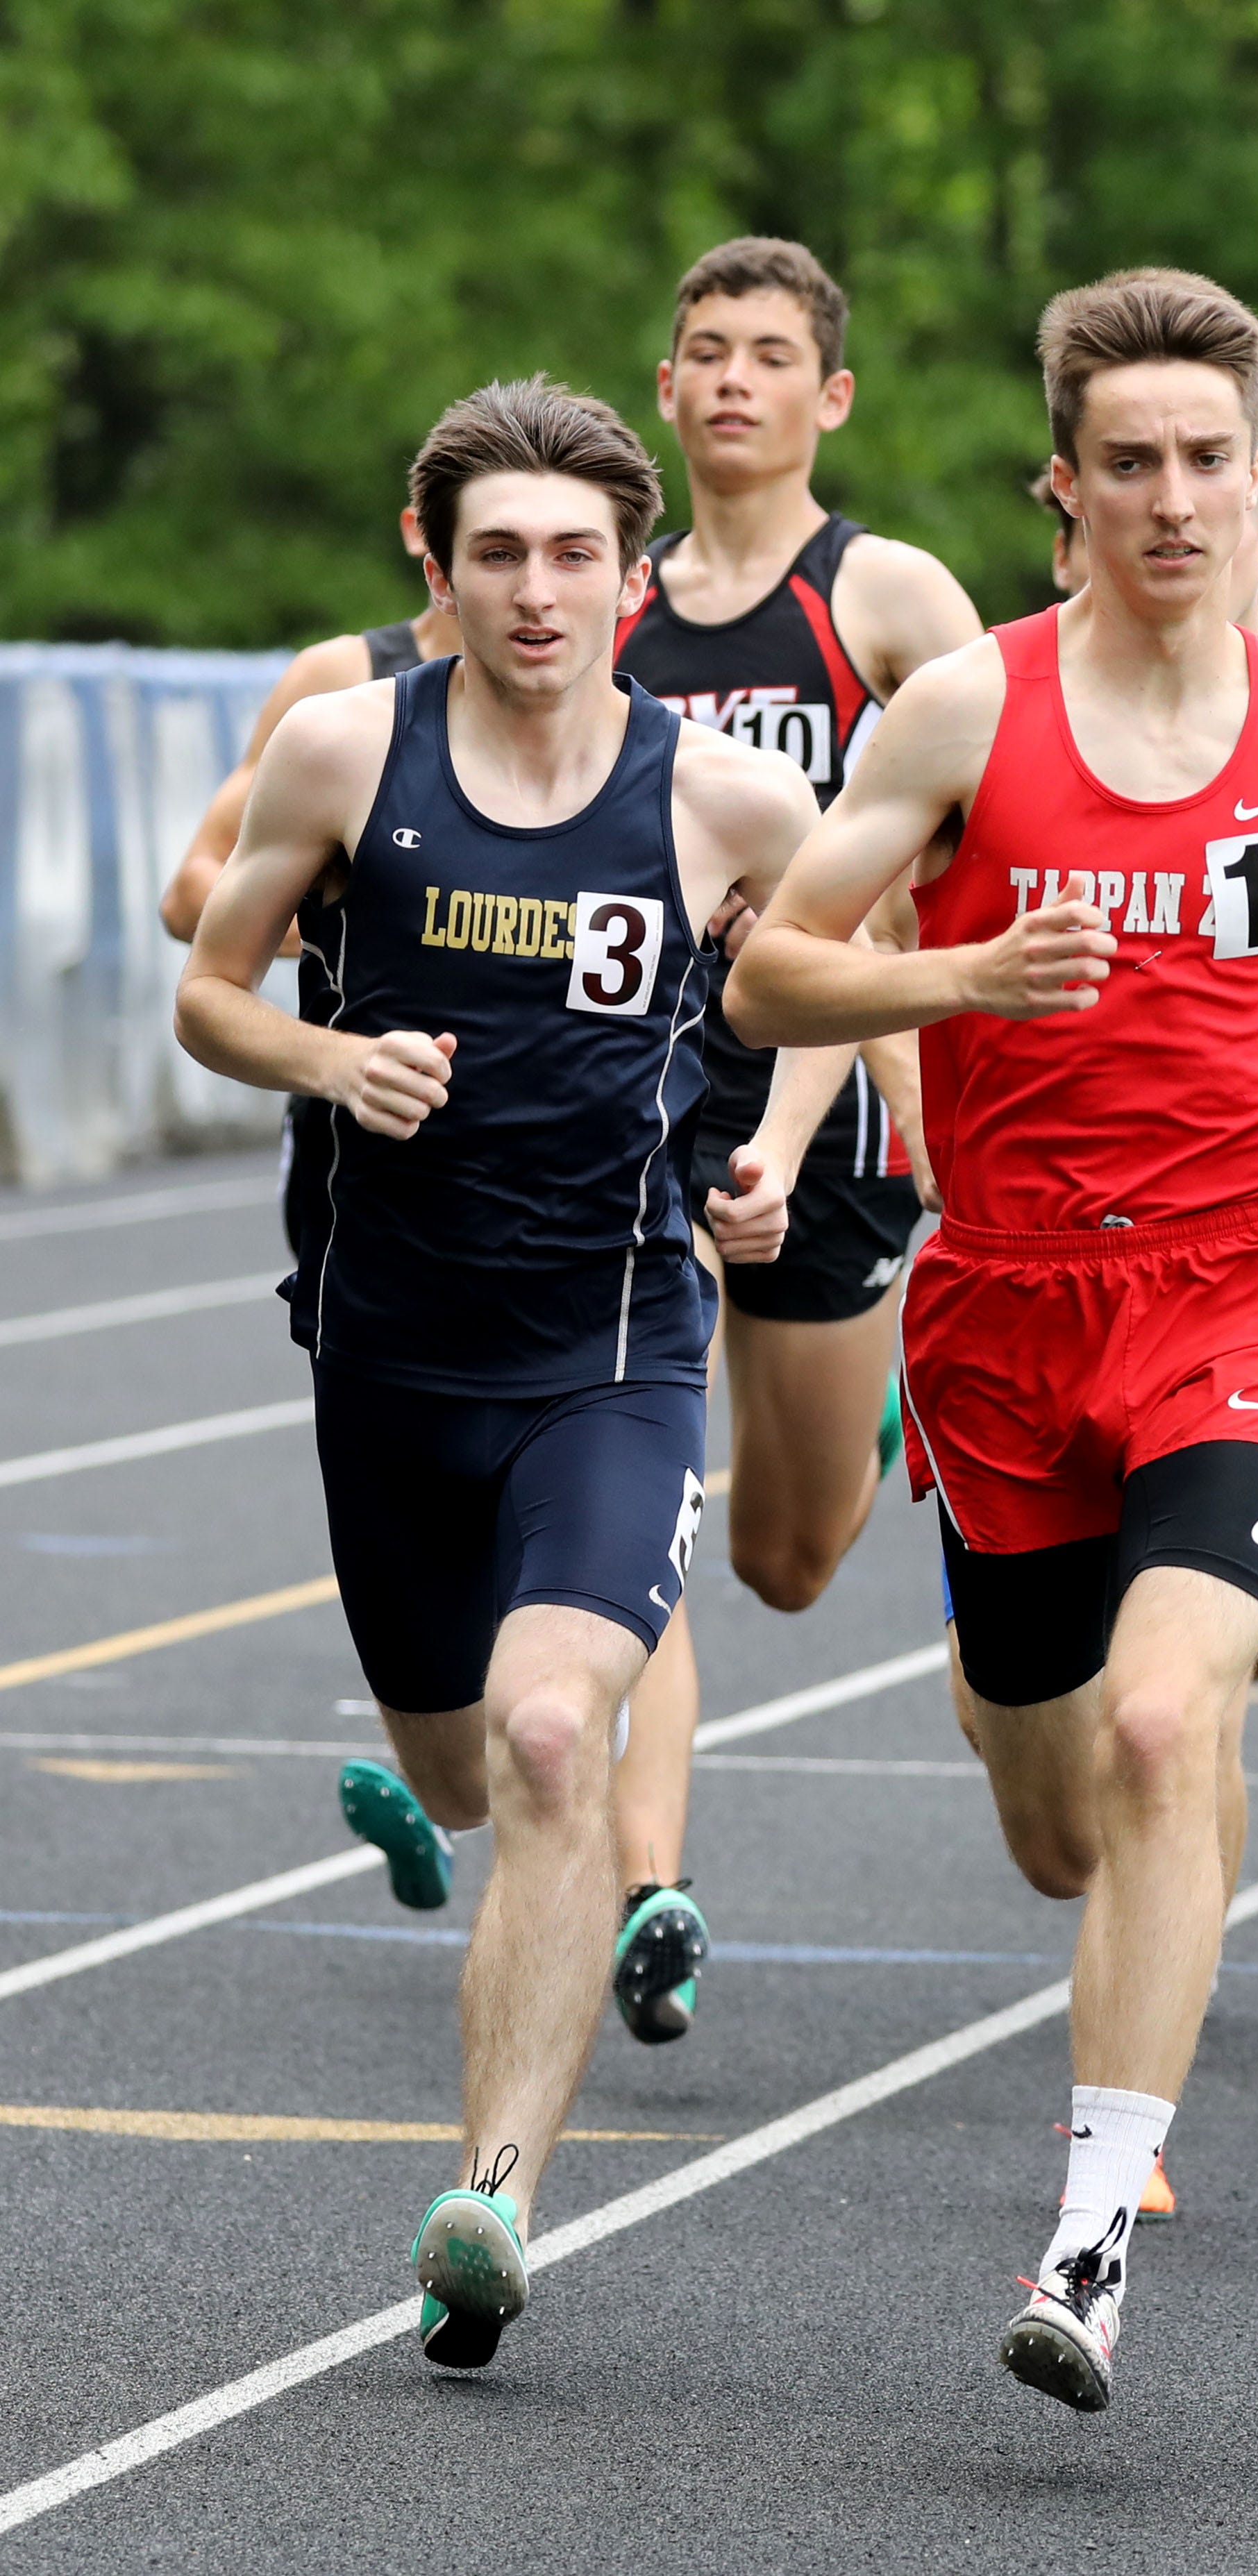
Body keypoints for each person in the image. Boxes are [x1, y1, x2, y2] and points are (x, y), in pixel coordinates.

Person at [726, 269, 1258, 2414]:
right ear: (1060, 495)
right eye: (1129, 464)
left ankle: (1089, 2229)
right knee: (1056, 1798)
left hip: (1239, 1279)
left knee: (1174, 1726)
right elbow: (771, 976)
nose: (1170, 497)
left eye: (1209, 463)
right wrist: (953, 989)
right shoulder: (967, 711)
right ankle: (1047, 1745)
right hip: (1004, 1304)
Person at [174, 377, 816, 2371]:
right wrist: (324, 1059)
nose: (538, 592)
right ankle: (431, 1809)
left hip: (613, 1342)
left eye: (574, 555)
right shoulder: (346, 751)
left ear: (634, 576)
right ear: (429, 567)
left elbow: (830, 988)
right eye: (498, 554)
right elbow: (207, 982)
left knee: (557, 1741)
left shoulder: (722, 794)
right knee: (461, 1760)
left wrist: (778, 1151)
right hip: (387, 1344)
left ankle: (495, 2197)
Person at [607, 235, 985, 2044]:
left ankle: (900, 1406)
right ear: (665, 390)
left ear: (830, 394)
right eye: (704, 351)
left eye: (771, 352)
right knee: (631, 1476)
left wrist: (924, 1023)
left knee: (786, 1554)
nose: (734, 378)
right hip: (630, 1091)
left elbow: (1005, 797)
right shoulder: (600, 599)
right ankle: (642, 1881)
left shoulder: (887, 596)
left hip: (827, 1101)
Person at [158, 510, 461, 1272]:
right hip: (364, 1124)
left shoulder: (613, 689)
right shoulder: (342, 680)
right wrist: (372, 927)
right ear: (422, 534)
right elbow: (191, 890)